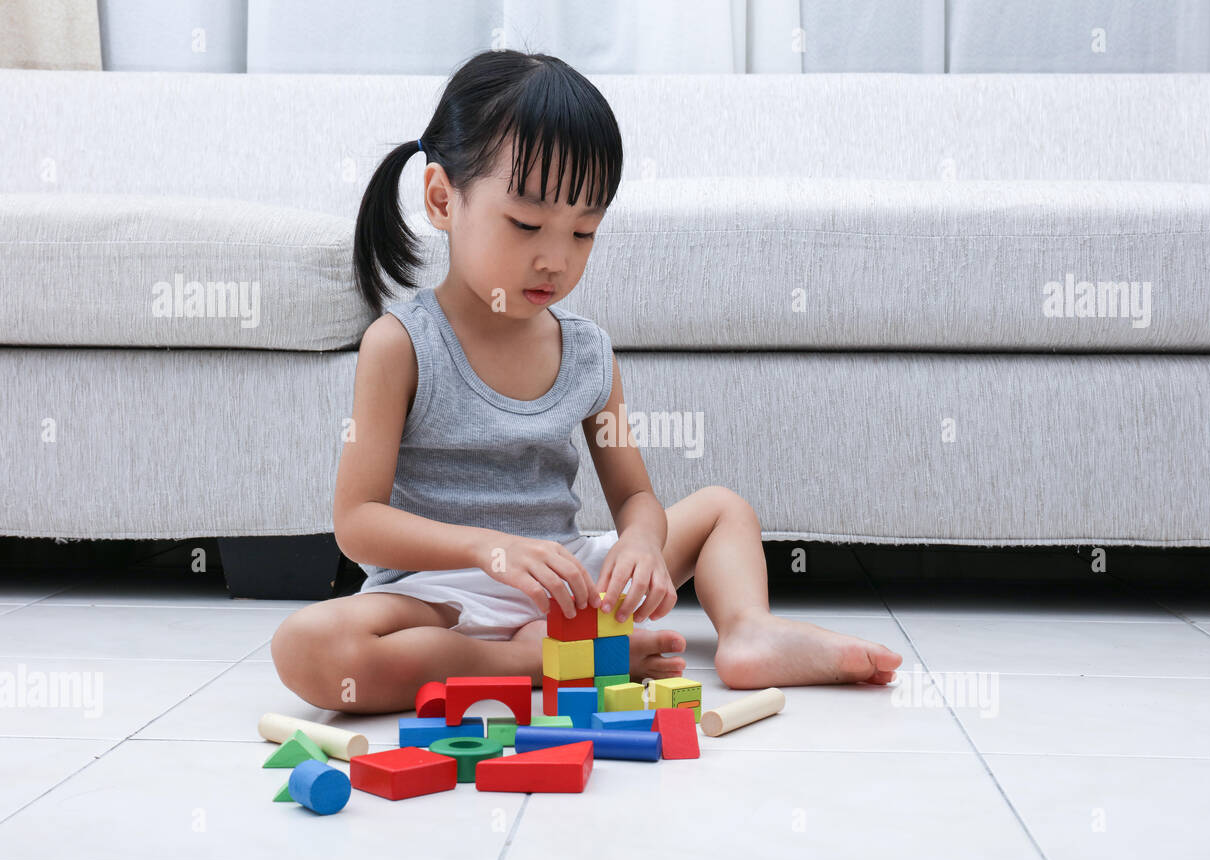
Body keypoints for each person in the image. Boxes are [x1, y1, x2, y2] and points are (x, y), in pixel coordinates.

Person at [271, 49, 902, 714]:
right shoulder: (401, 345)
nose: (556, 258)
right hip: (436, 598)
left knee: (723, 510)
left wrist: (639, 545)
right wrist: (493, 552)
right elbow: (359, 524)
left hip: (567, 586)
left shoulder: (586, 352)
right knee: (308, 648)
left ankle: (747, 632)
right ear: (441, 199)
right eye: (525, 224)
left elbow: (635, 497)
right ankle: (528, 661)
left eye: (584, 231)